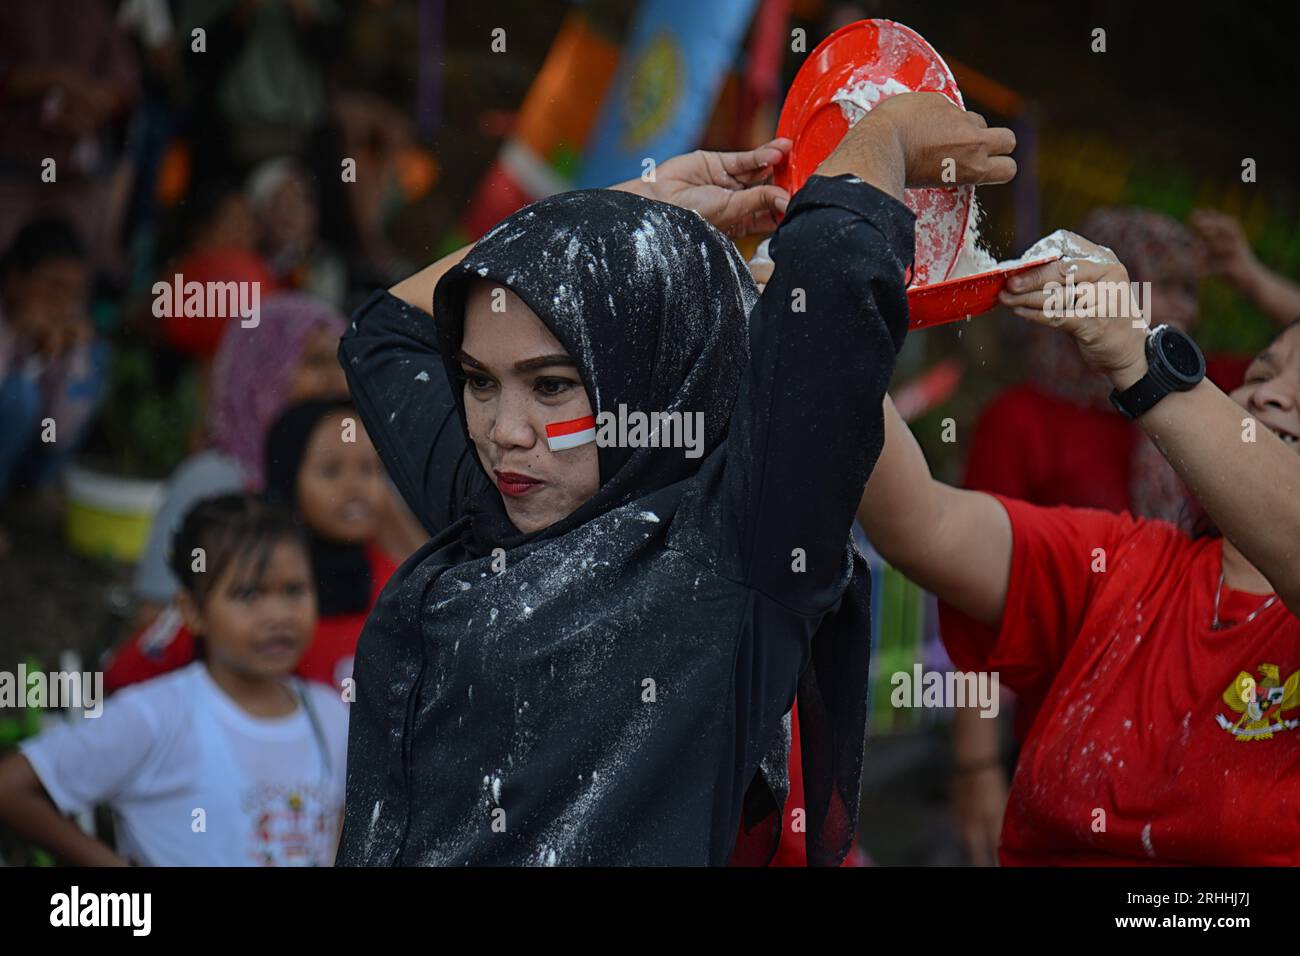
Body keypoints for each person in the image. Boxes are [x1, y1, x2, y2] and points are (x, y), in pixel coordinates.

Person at [332, 93, 1016, 866]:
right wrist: (626, 213)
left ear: (647, 383)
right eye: (478, 382)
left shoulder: (734, 557)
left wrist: (883, 136)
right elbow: (385, 334)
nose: (503, 431)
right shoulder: (493, 506)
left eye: (552, 385)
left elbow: (830, 281)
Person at [857, 236, 1300, 865]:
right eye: (1260, 374)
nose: (1270, 395)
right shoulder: (1125, 559)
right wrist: (830, 312)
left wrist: (1138, 356)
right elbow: (922, 523)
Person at [0, 494, 350, 866]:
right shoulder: (158, 715)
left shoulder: (331, 715)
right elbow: (11, 788)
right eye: (248, 594)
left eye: (294, 590)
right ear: (193, 611)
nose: (278, 615)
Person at [106, 399, 395, 694]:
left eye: (372, 469)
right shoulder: (236, 576)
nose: (357, 488)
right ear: (287, 479)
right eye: (331, 471)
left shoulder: (400, 586)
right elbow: (126, 677)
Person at [0, 217, 106, 498]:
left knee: (95, 363)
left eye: (73, 292)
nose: (62, 302)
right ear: (14, 279)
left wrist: (73, 358)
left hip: (25, 460)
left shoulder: (70, 338)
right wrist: (14, 336)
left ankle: (27, 498)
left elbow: (58, 437)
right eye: (52, 285)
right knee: (21, 398)